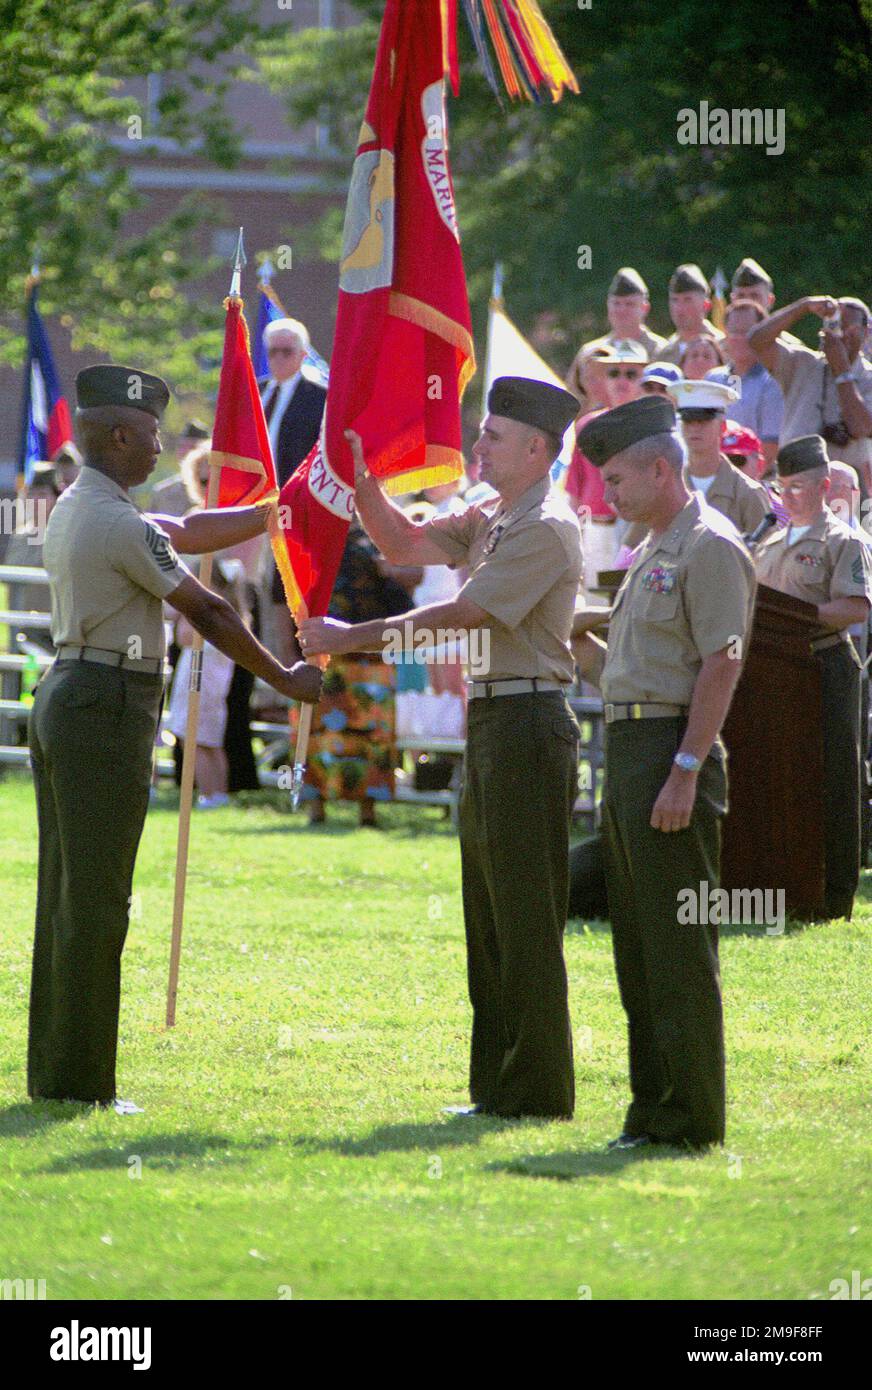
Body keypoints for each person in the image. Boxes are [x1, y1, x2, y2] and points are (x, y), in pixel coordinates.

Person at [27, 363, 321, 1111]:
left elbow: (186, 530)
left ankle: (57, 1073)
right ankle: (83, 1085)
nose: (161, 448)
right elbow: (213, 612)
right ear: (118, 435)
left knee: (68, 893)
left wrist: (274, 510)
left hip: (74, 695)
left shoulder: (80, 504)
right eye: (152, 434)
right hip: (105, 705)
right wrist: (285, 677)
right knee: (99, 901)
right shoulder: (121, 522)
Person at [298, 377, 584, 1119]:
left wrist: (349, 637)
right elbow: (399, 543)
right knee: (487, 912)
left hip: (528, 719)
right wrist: (361, 480)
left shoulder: (545, 523)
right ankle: (499, 1089)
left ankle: (539, 1091)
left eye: (491, 436)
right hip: (494, 721)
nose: (477, 445)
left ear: (535, 448)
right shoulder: (494, 511)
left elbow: (466, 611)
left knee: (523, 915)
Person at [571, 395, 756, 1149]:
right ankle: (652, 1111)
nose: (608, 495)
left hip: (673, 750)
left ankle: (690, 1119)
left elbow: (723, 662)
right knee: (639, 947)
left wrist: (684, 768)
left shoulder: (709, 544)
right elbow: (635, 669)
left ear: (659, 468)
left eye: (616, 480)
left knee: (678, 946)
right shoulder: (652, 547)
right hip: (631, 746)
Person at [754, 435, 872, 920]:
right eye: (782, 487)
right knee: (781, 773)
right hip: (775, 669)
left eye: (799, 486)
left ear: (825, 486)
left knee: (833, 774)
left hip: (824, 664)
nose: (789, 497)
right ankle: (781, 886)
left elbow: (856, 606)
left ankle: (833, 892)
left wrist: (797, 620)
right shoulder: (770, 542)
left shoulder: (845, 541)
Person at [294, 523, 421, 828]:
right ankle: (315, 806)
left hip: (372, 652)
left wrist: (388, 569)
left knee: (373, 734)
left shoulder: (379, 536)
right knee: (316, 733)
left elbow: (415, 577)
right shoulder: (308, 537)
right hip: (321, 651)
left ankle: (368, 810)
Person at [747, 295, 872, 488]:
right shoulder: (802, 363)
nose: (843, 334)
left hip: (846, 490)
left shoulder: (868, 378)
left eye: (851, 328)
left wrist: (842, 372)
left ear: (866, 332)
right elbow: (756, 341)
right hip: (793, 483)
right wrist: (803, 306)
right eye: (836, 325)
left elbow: (861, 428)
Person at [260, 316, 328, 666]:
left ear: (303, 354)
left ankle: (294, 673)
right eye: (272, 352)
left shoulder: (320, 399)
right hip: (253, 512)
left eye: (287, 352)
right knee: (250, 595)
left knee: (288, 596)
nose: (278, 359)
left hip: (296, 513)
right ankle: (261, 684)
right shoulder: (256, 393)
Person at [565, 341, 646, 596]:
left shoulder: (652, 427)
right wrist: (574, 539)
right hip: (595, 530)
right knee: (594, 607)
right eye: (613, 373)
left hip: (638, 529)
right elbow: (575, 489)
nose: (621, 380)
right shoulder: (586, 425)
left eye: (631, 374)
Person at [672, 379, 770, 535]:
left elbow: (764, 554)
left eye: (704, 420)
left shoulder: (748, 493)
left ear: (722, 427)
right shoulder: (669, 487)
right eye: (688, 420)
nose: (695, 428)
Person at [566, 267, 667, 402]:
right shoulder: (589, 353)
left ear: (644, 308)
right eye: (616, 303)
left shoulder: (662, 351)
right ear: (608, 306)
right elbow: (573, 399)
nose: (621, 310)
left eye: (629, 304)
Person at [714, 300, 784, 472]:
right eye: (733, 332)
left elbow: (769, 449)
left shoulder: (772, 383)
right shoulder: (713, 379)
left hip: (756, 479)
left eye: (747, 332)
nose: (739, 338)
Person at [729, 257, 804, 348]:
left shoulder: (790, 347)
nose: (748, 302)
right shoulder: (720, 349)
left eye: (755, 296)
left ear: (770, 300)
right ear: (732, 301)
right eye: (741, 296)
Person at [660, 264, 725, 365]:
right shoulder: (664, 353)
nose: (679, 307)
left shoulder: (723, 347)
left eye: (687, 300)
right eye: (675, 300)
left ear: (706, 305)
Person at [150, 421, 211, 518]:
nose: (186, 452)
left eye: (193, 447)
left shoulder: (217, 491)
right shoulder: (163, 493)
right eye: (183, 446)